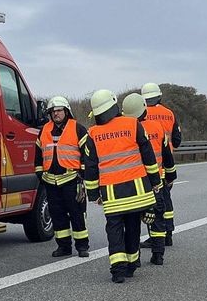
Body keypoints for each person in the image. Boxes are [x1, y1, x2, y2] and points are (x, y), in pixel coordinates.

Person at [82, 89, 159, 283]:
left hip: (112, 194)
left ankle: (117, 270)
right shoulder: (133, 124)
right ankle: (131, 265)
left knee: (114, 230)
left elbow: (90, 167)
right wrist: (156, 182)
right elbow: (148, 157)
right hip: (137, 191)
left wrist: (92, 194)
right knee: (133, 227)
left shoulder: (93, 133)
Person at [122, 93, 176, 265]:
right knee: (157, 218)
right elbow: (167, 154)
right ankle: (158, 255)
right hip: (157, 180)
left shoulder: (128, 129)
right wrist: (170, 175)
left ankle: (133, 256)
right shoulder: (158, 127)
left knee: (133, 220)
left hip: (136, 181)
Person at [34, 96, 91, 258]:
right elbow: (38, 155)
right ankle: (64, 247)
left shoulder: (78, 129)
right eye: (53, 111)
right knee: (57, 216)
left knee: (77, 214)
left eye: (59, 110)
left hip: (72, 179)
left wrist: (82, 174)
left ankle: (82, 246)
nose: (56, 114)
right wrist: (40, 173)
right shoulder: (44, 130)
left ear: (66, 111)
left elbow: (87, 154)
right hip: (50, 181)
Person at [141, 82, 181, 246]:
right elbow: (177, 141)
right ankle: (169, 233)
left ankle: (156, 236)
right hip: (166, 163)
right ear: (159, 96)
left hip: (148, 166)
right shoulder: (169, 113)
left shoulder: (140, 114)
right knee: (166, 200)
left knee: (152, 203)